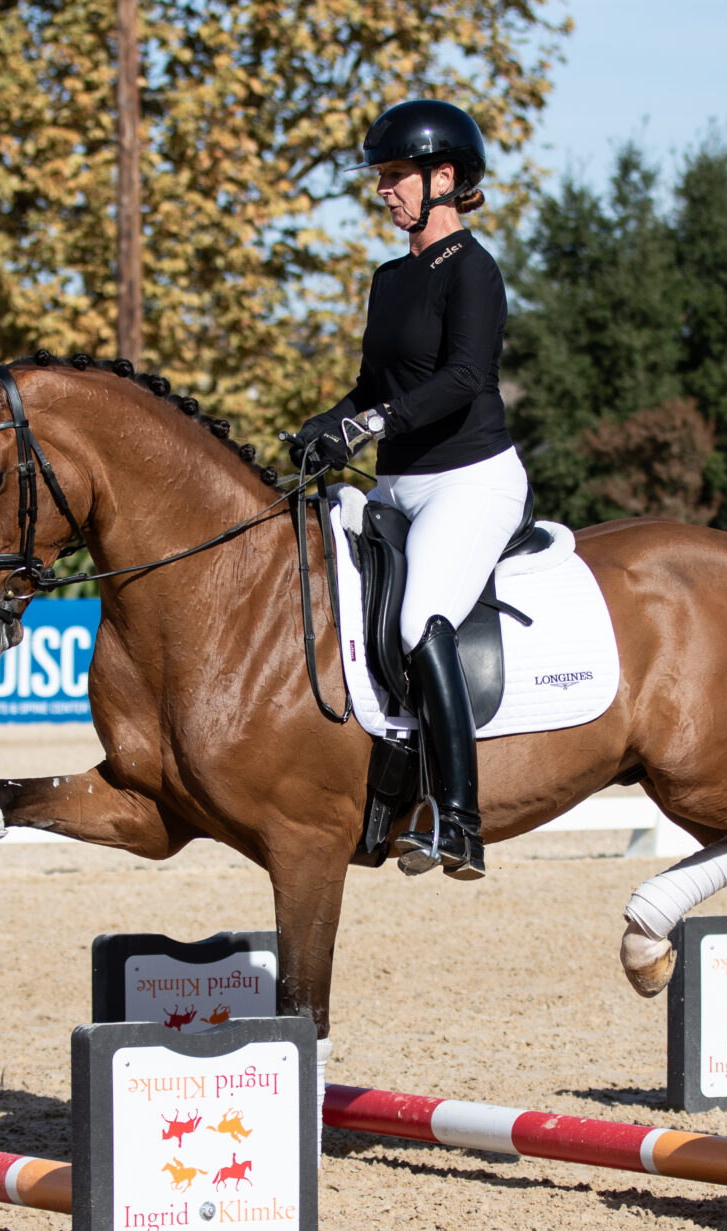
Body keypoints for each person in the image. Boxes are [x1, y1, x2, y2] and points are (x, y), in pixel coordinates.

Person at [293, 99, 526, 881]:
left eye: (396, 176)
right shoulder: (390, 279)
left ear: (445, 178)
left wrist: (370, 424)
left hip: (470, 480)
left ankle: (458, 817)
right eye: (384, 177)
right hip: (396, 482)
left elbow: (465, 378)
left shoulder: (474, 270)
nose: (384, 190)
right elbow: (371, 387)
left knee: (421, 617)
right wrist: (324, 425)